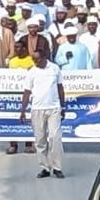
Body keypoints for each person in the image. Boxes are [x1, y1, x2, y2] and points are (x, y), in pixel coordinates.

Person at [19, 48, 65, 179]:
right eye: (33, 59)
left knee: (55, 137)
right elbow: (27, 92)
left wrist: (63, 106)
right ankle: (44, 167)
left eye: (36, 59)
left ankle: (57, 167)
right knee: (40, 140)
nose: (34, 61)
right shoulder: (32, 71)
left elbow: (60, 88)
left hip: (54, 108)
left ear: (44, 57)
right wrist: (22, 110)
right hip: (37, 109)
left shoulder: (55, 69)